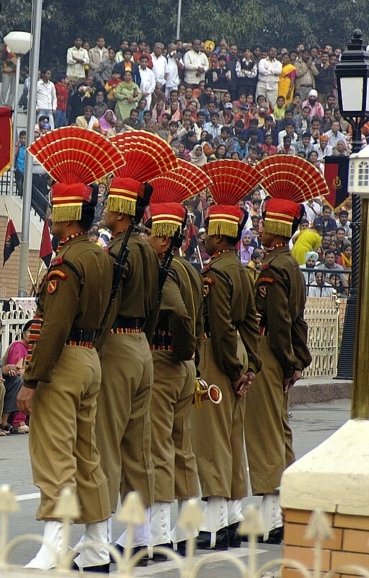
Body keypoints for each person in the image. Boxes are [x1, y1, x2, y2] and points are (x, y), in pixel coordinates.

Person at [16, 127, 115, 570]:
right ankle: (96, 544)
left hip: (63, 362)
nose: (51, 219)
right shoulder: (99, 255)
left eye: (55, 211)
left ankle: (54, 544)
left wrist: (32, 378)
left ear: (69, 214)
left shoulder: (67, 261)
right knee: (86, 453)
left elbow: (52, 326)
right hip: (91, 356)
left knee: (55, 453)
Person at [97, 137, 163, 559]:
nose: (102, 206)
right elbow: (154, 304)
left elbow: (107, 306)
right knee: (138, 446)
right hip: (142, 346)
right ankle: (141, 535)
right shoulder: (146, 247)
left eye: (108, 200)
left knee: (105, 442)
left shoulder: (119, 250)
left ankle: (99, 537)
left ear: (121, 210)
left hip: (118, 347)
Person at [247, 156, 317, 544]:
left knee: (264, 435)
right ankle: (279, 511)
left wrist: (286, 361)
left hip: (269, 356)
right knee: (278, 432)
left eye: (262, 221)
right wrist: (299, 361)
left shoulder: (272, 269)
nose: (257, 227)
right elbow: (298, 322)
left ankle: (271, 517)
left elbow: (277, 324)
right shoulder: (290, 264)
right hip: (283, 357)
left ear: (274, 226)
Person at [193, 160, 261, 551]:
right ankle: (233, 517)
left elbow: (219, 328)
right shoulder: (243, 271)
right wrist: (251, 365)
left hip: (218, 361)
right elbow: (250, 324)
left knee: (211, 440)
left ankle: (214, 524)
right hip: (237, 358)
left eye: (208, 231)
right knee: (232, 440)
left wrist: (234, 369)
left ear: (221, 235)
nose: (203, 237)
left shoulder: (214, 274)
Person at [143, 169, 206, 556]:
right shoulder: (189, 268)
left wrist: (180, 352)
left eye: (152, 231)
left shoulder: (165, 269)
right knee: (182, 447)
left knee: (158, 448)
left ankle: (162, 531)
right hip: (184, 367)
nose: (148, 237)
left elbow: (182, 316)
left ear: (164, 237)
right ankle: (189, 526)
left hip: (167, 361)